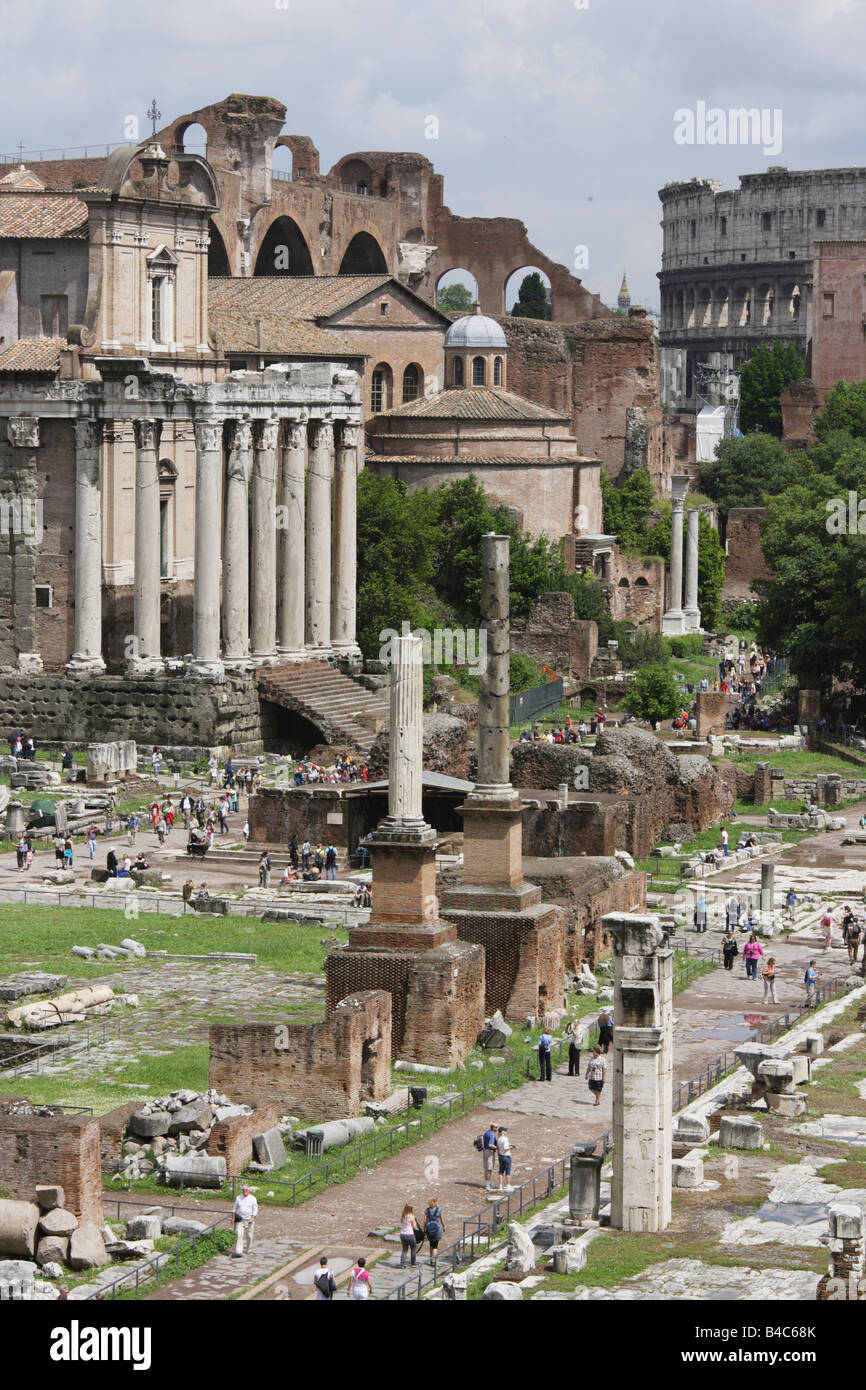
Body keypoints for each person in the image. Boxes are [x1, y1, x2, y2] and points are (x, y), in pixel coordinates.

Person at [231, 1183, 257, 1257]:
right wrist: (233, 1218)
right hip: (240, 1220)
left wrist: (252, 1218)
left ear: (248, 1190)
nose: (245, 1191)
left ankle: (249, 1249)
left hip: (249, 1220)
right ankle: (239, 1251)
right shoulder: (238, 1198)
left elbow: (255, 1210)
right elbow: (234, 1209)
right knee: (239, 1234)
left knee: (249, 1235)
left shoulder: (253, 1198)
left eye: (246, 1190)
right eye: (243, 1190)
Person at [496, 1127, 514, 1191]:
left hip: (501, 1156)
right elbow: (505, 1147)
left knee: (501, 1171)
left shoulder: (498, 1139)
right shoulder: (505, 1138)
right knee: (508, 1172)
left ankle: (500, 1185)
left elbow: (498, 1148)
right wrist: (511, 1147)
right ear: (503, 1132)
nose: (506, 1132)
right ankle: (508, 1185)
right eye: (505, 1131)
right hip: (506, 1156)